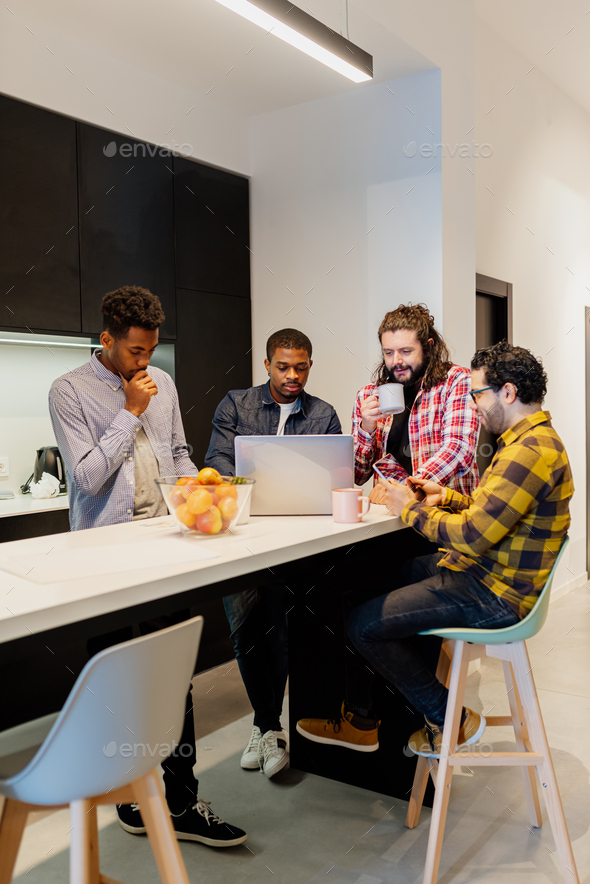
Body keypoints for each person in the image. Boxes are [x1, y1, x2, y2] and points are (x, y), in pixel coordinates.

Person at [297, 341, 573, 757]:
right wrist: (444, 496)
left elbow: (473, 536)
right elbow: (490, 514)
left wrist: (409, 509)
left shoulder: (529, 452)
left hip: (494, 593)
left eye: (478, 395)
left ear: (509, 393)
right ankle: (363, 719)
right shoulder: (527, 442)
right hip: (483, 573)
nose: (475, 405)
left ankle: (448, 716)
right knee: (363, 589)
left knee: (362, 625)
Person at [49, 285, 247, 847]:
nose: (146, 363)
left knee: (170, 674)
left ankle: (181, 800)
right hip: (103, 555)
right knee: (113, 683)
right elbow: (86, 476)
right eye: (136, 352)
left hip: (164, 545)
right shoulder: (68, 391)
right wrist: (129, 412)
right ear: (107, 339)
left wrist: (199, 493)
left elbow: (179, 452)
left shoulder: (164, 383)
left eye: (153, 350)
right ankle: (126, 795)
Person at [204, 328, 342, 777]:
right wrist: (248, 487)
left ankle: (266, 728)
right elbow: (219, 462)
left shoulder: (324, 415)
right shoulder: (235, 404)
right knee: (244, 629)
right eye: (283, 366)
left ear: (310, 365)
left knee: (281, 628)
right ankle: (268, 726)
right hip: (241, 538)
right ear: (266, 364)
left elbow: (334, 478)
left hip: (296, 543)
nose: (292, 375)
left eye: (301, 366)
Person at [352, 304, 479, 502]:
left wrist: (409, 487)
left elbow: (458, 448)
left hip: (445, 518)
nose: (397, 361)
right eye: (389, 353)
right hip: (389, 520)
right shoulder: (367, 396)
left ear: (428, 347)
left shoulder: (456, 381)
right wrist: (366, 429)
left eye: (406, 351)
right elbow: (358, 476)